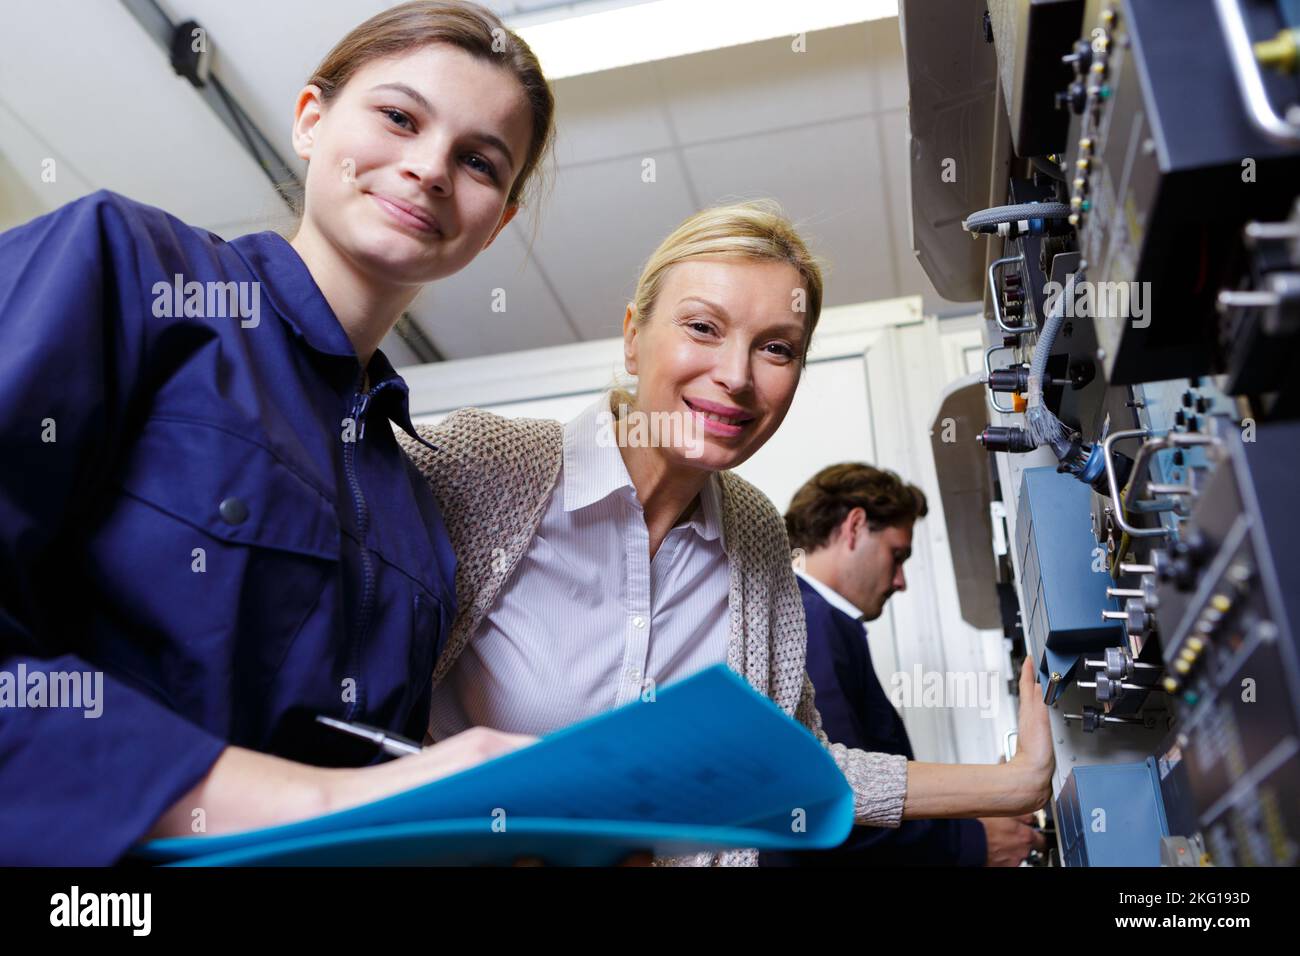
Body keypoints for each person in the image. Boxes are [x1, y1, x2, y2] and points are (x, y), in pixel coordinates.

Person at [0, 0, 555, 865]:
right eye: (400, 118)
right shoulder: (129, 268)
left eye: (479, 162)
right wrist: (320, 800)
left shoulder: (416, 514)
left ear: (496, 225)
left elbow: (375, 803)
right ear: (309, 120)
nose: (429, 169)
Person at [397, 200, 1056, 866]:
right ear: (633, 336)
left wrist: (1016, 781)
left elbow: (795, 764)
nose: (737, 377)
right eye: (704, 327)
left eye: (776, 347)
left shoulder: (757, 538)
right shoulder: (478, 466)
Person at [762, 463, 1047, 866]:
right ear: (854, 526)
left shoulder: (821, 621)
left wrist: (978, 803)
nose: (901, 581)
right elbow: (841, 800)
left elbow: (873, 786)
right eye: (897, 556)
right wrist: (971, 841)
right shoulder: (812, 620)